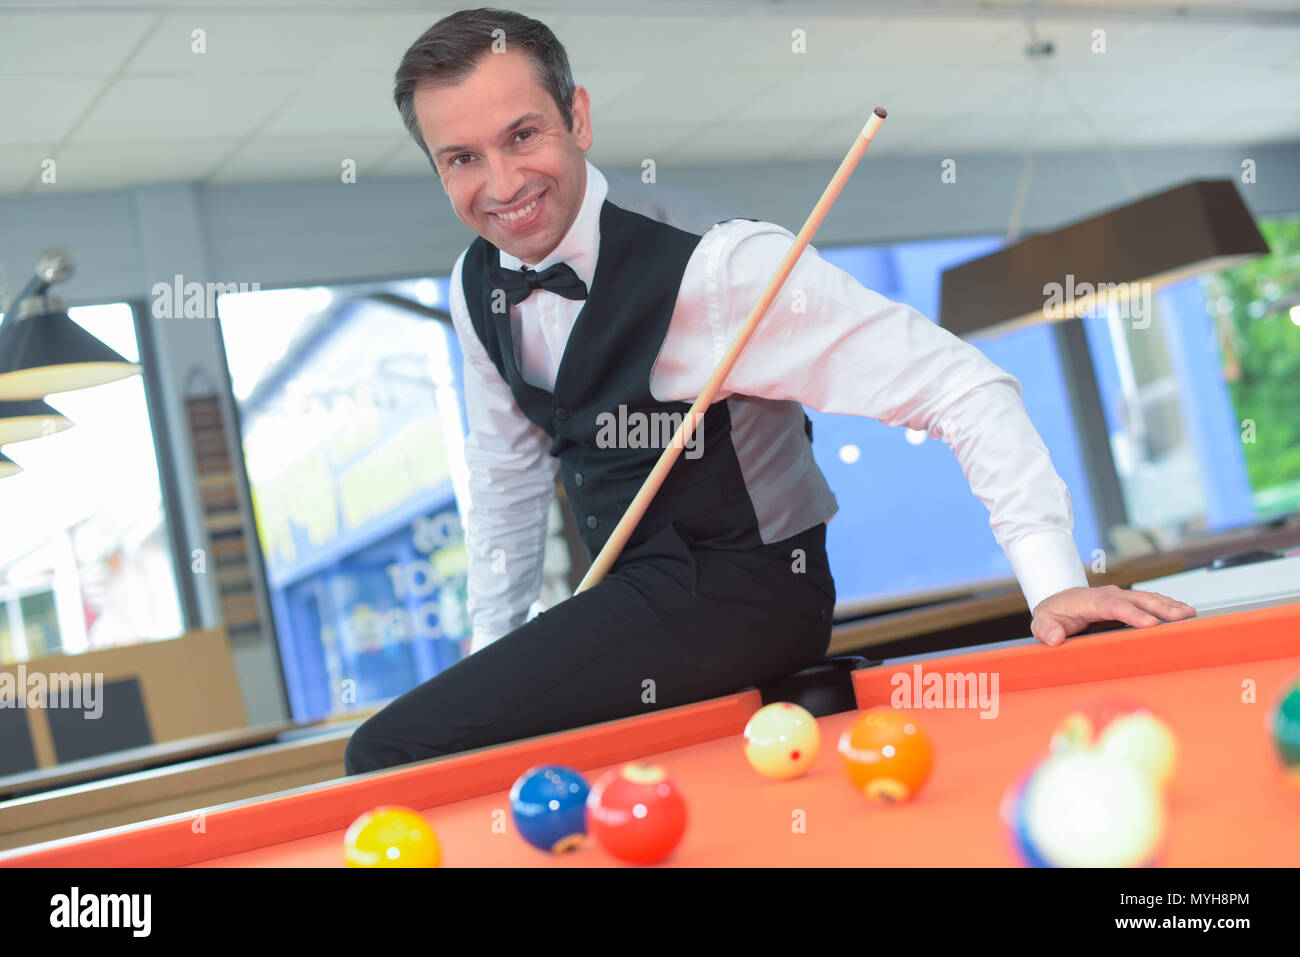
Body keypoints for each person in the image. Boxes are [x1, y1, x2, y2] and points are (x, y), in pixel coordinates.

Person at [343, 7, 1194, 775]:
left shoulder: (721, 265)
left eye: (521, 135)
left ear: (580, 118)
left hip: (748, 592)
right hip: (632, 598)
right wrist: (497, 656)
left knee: (387, 747)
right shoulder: (473, 285)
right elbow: (506, 478)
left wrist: (1049, 582)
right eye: (461, 158)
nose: (500, 184)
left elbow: (959, 383)